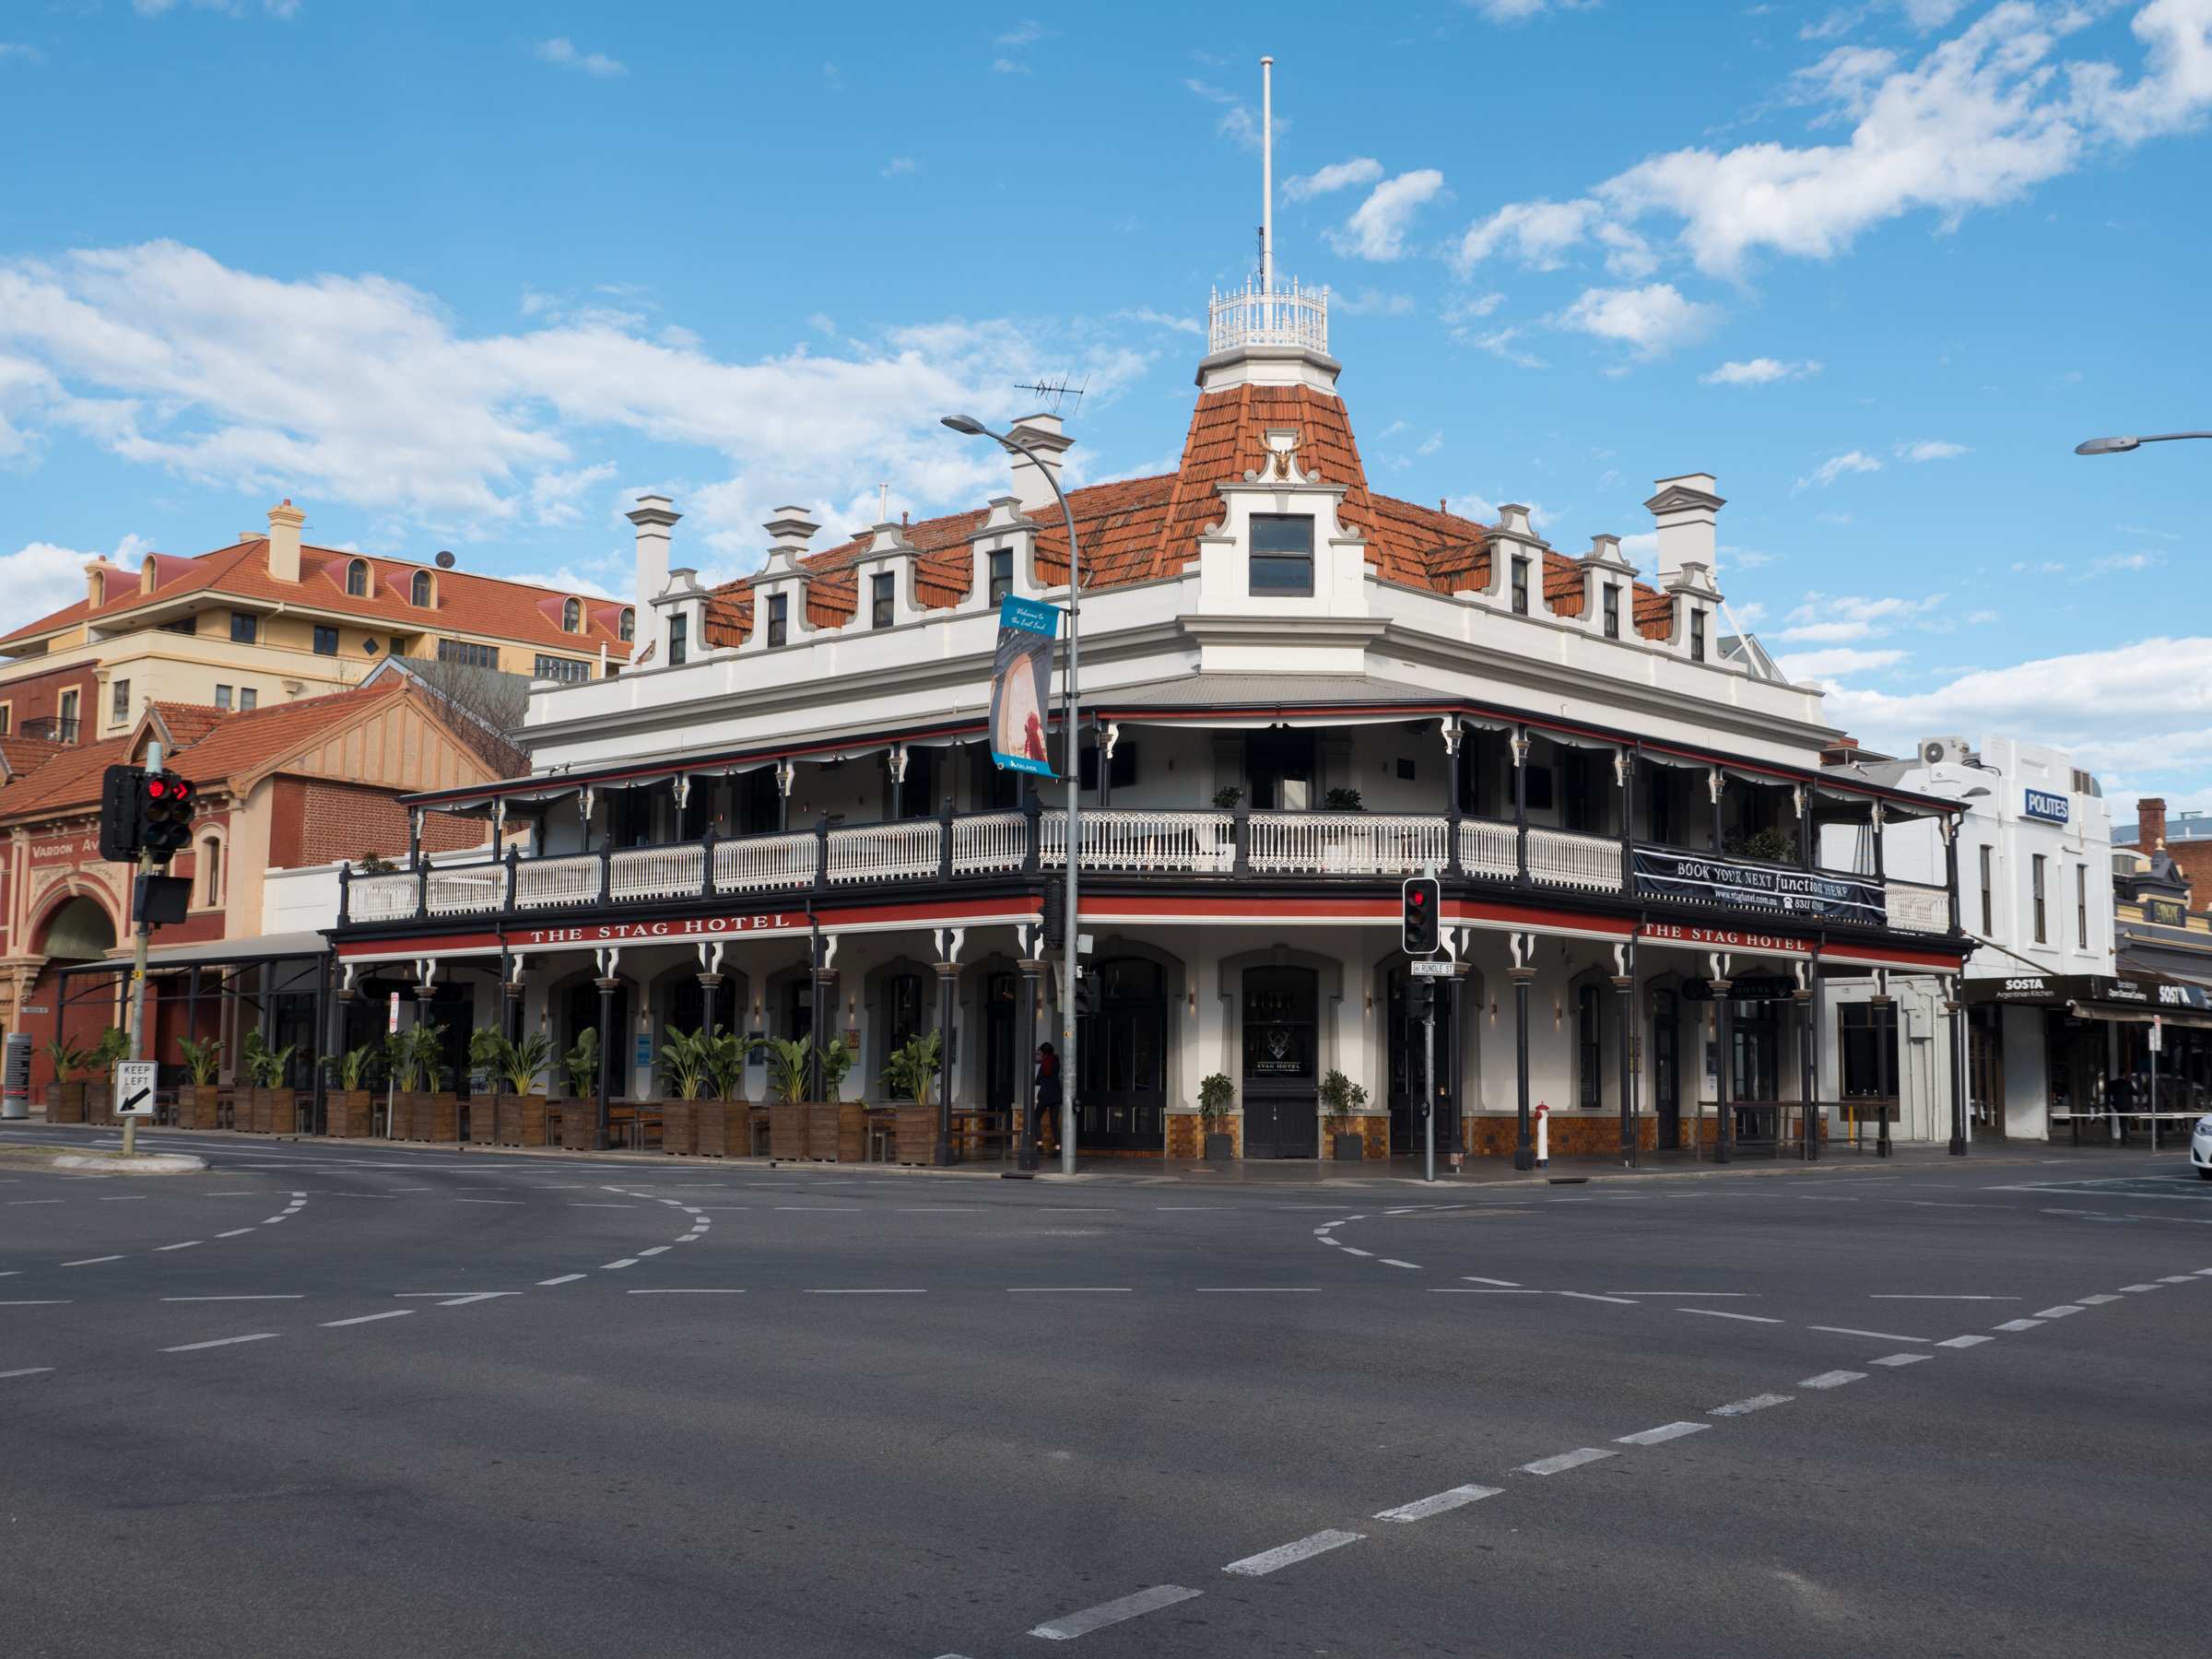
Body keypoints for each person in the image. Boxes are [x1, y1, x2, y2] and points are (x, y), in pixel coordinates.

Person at [1033, 1041, 1063, 1149]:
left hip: (1045, 1096)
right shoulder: (1056, 1062)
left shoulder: (1045, 1063)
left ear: (1044, 1053)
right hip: (1056, 1095)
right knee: (1054, 1123)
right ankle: (1058, 1148)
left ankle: (1039, 1144)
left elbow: (1037, 1080)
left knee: (1036, 1118)